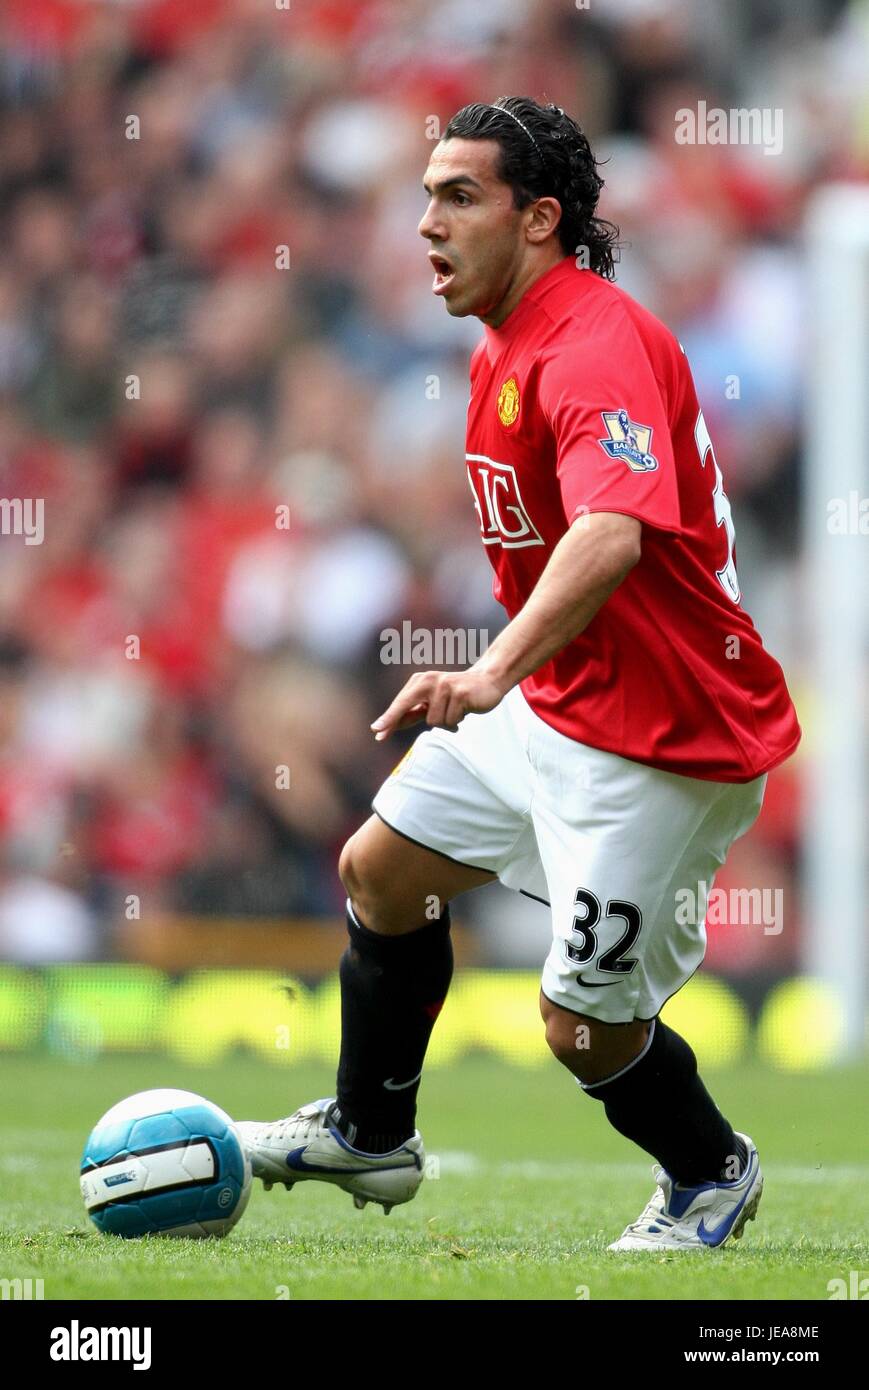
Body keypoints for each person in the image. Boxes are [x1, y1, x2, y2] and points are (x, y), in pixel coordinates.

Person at [239, 97, 801, 1250]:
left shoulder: (589, 342)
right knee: (381, 870)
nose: (424, 224)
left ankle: (709, 1169)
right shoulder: (504, 343)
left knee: (578, 1026)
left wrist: (487, 670)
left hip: (664, 740)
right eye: (424, 195)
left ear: (537, 218)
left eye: (457, 197)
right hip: (567, 704)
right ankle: (369, 1128)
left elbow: (611, 533)